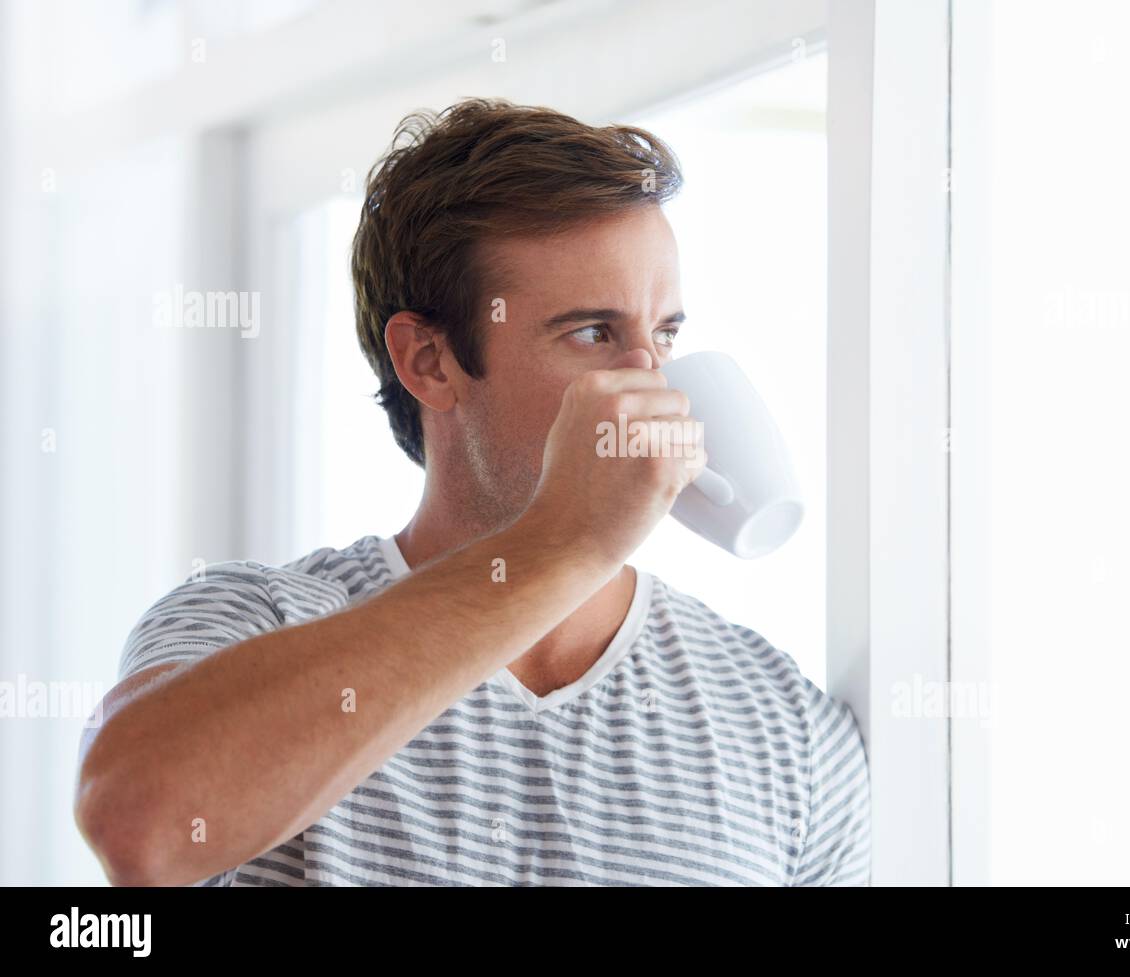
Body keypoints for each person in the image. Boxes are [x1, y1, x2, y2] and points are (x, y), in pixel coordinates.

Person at [73, 98, 871, 886]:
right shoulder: (254, 621)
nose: (651, 383)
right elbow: (137, 824)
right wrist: (565, 544)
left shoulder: (783, 724)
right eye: (592, 333)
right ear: (429, 361)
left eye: (663, 334)